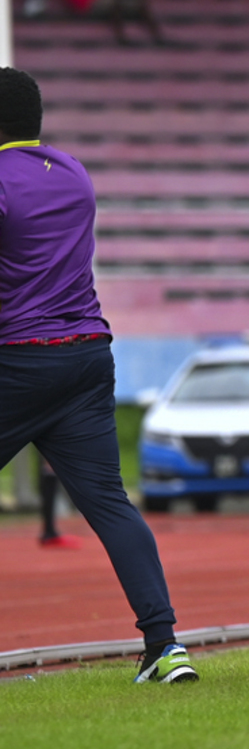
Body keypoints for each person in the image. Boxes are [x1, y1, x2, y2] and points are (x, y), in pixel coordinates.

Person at [0, 67, 197, 684]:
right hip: (86, 356)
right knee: (111, 505)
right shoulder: (74, 173)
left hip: (17, 358)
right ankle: (164, 645)